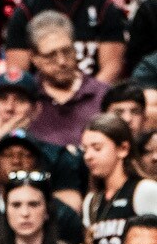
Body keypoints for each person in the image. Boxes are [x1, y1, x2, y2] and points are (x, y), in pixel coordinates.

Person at [0, 69, 85, 217]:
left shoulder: (56, 156)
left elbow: (70, 211)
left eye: (20, 100)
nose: (9, 108)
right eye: (2, 99)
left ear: (36, 110)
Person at [81, 111, 157, 244]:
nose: (88, 156)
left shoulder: (144, 191)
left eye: (97, 148)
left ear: (123, 149)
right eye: (85, 149)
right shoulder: (92, 202)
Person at [25, 9, 108, 147]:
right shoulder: (26, 98)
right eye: (51, 55)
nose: (62, 61)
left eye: (67, 51)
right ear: (34, 58)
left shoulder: (103, 95)